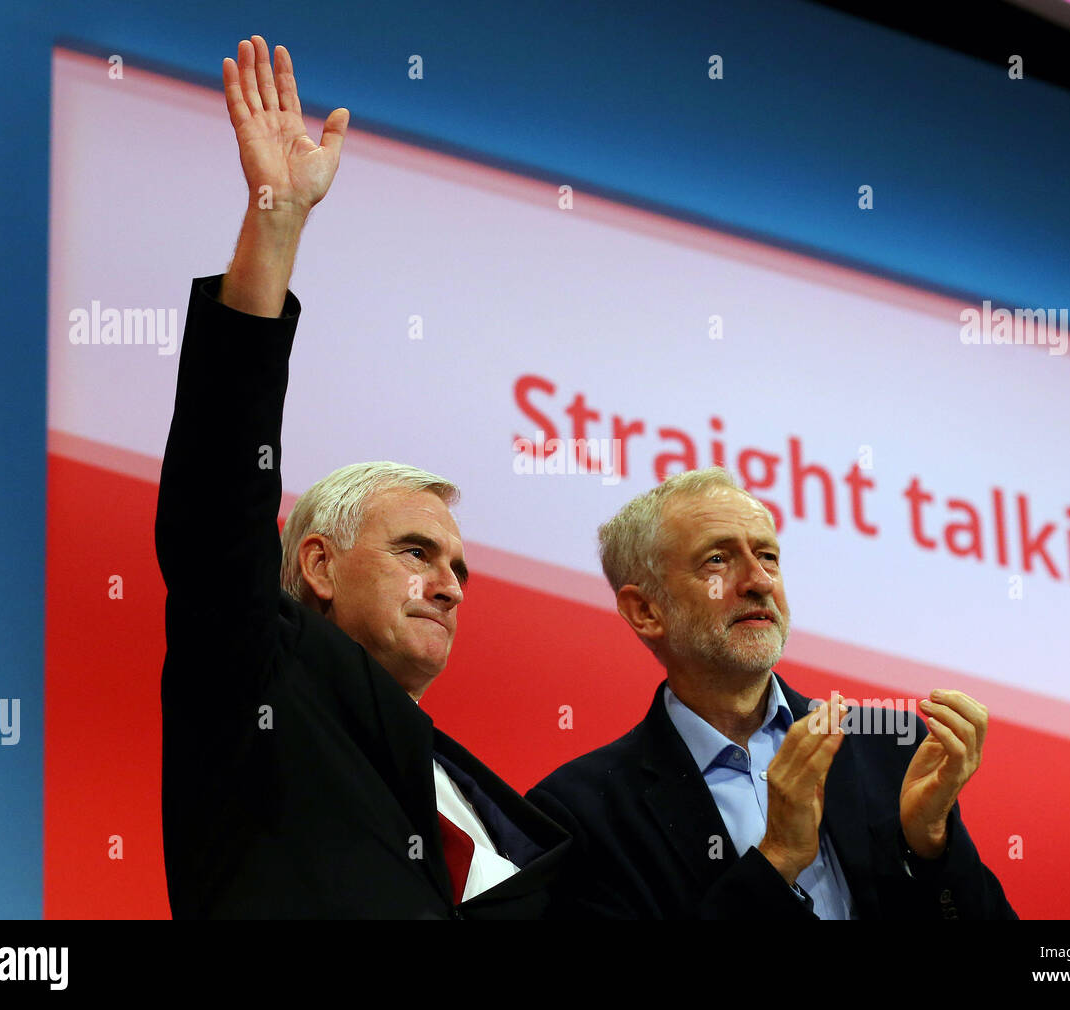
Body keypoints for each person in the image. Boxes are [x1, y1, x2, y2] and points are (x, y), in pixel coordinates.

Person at [155, 35, 568, 918]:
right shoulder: (256, 682)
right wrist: (276, 220)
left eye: (459, 569)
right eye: (417, 551)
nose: (450, 587)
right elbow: (216, 504)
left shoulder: (489, 805)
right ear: (316, 565)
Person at [527, 468, 1017, 919]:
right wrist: (777, 858)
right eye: (717, 559)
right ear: (645, 611)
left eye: (767, 556)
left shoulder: (891, 747)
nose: (759, 581)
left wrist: (929, 847)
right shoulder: (581, 813)